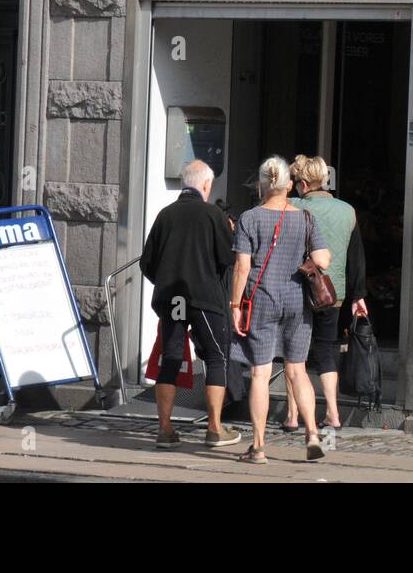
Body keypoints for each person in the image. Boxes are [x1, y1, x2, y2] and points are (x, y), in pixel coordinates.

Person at [230, 155, 332, 463]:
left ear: (263, 185)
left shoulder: (250, 218)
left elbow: (242, 267)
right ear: (289, 185)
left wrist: (235, 304)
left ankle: (258, 446)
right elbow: (323, 260)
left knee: (260, 374)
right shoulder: (304, 218)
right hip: (297, 301)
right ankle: (313, 435)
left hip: (260, 299)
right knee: (297, 370)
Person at [139, 159, 242, 450]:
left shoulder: (165, 215)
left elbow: (147, 263)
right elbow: (227, 258)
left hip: (174, 298)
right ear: (206, 185)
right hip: (204, 299)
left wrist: (166, 279)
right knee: (215, 357)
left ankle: (165, 428)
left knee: (170, 359)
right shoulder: (212, 215)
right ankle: (214, 429)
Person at [282, 155, 367, 431]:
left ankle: (293, 416)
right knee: (326, 349)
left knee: (294, 354)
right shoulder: (348, 211)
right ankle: (333, 412)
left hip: (298, 289)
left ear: (303, 183)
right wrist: (358, 295)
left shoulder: (292, 206)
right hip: (332, 293)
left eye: (295, 183)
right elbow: (357, 258)